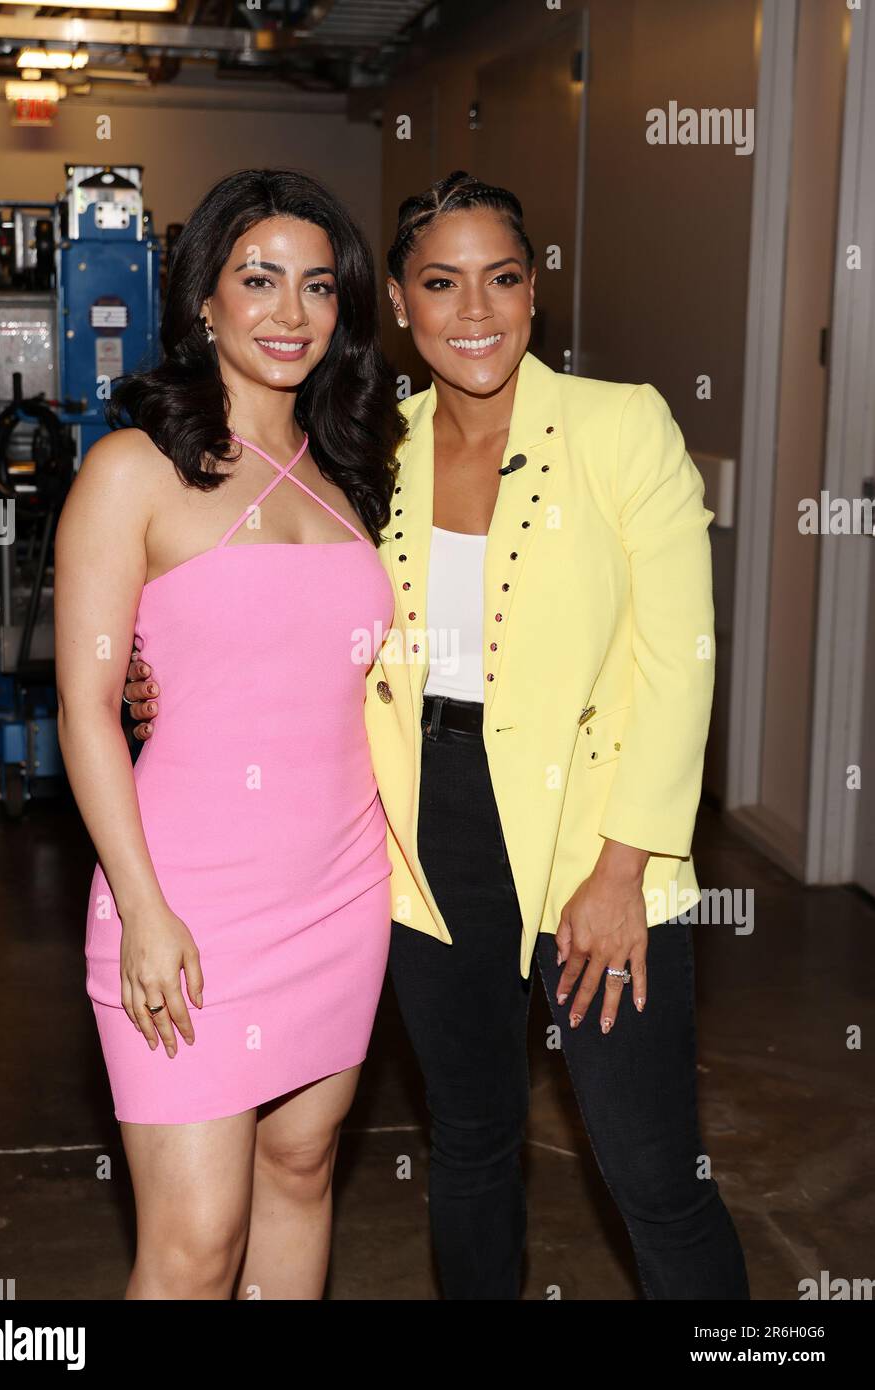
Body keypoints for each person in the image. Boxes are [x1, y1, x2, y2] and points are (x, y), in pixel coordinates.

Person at [126, 170, 750, 1300]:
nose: (475, 311)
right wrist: (150, 671)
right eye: (440, 284)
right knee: (467, 1147)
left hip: (591, 838)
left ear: (532, 298)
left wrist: (623, 867)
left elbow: (680, 665)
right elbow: (287, 613)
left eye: (501, 279)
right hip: (418, 837)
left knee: (653, 1171)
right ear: (399, 310)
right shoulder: (370, 448)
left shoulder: (620, 427)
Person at [55, 168, 404, 1300]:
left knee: (301, 1168)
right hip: (187, 902)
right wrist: (143, 907)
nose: (289, 314)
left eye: (317, 287)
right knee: (195, 1242)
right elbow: (87, 708)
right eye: (258, 280)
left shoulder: (353, 468)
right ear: (201, 298)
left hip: (341, 886)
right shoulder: (129, 471)